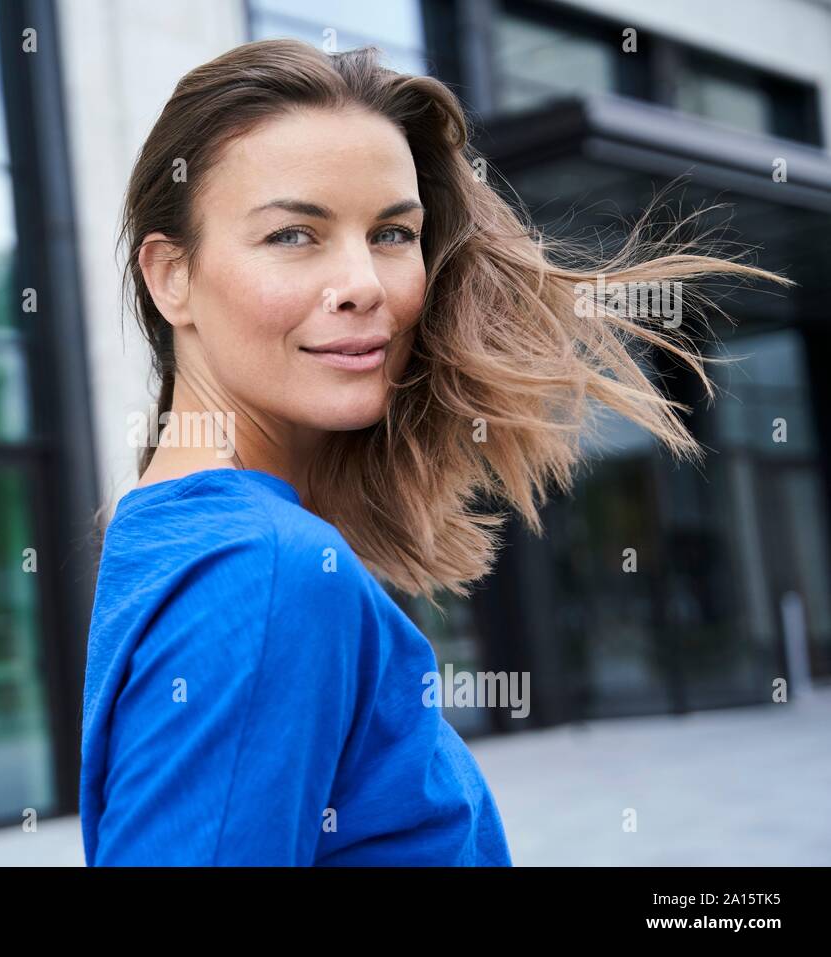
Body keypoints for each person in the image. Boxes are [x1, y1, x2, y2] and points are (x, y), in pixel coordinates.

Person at [79, 37, 786, 866]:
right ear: (172, 278)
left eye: (391, 232)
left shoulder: (174, 531)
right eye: (293, 236)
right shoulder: (266, 567)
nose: (366, 283)